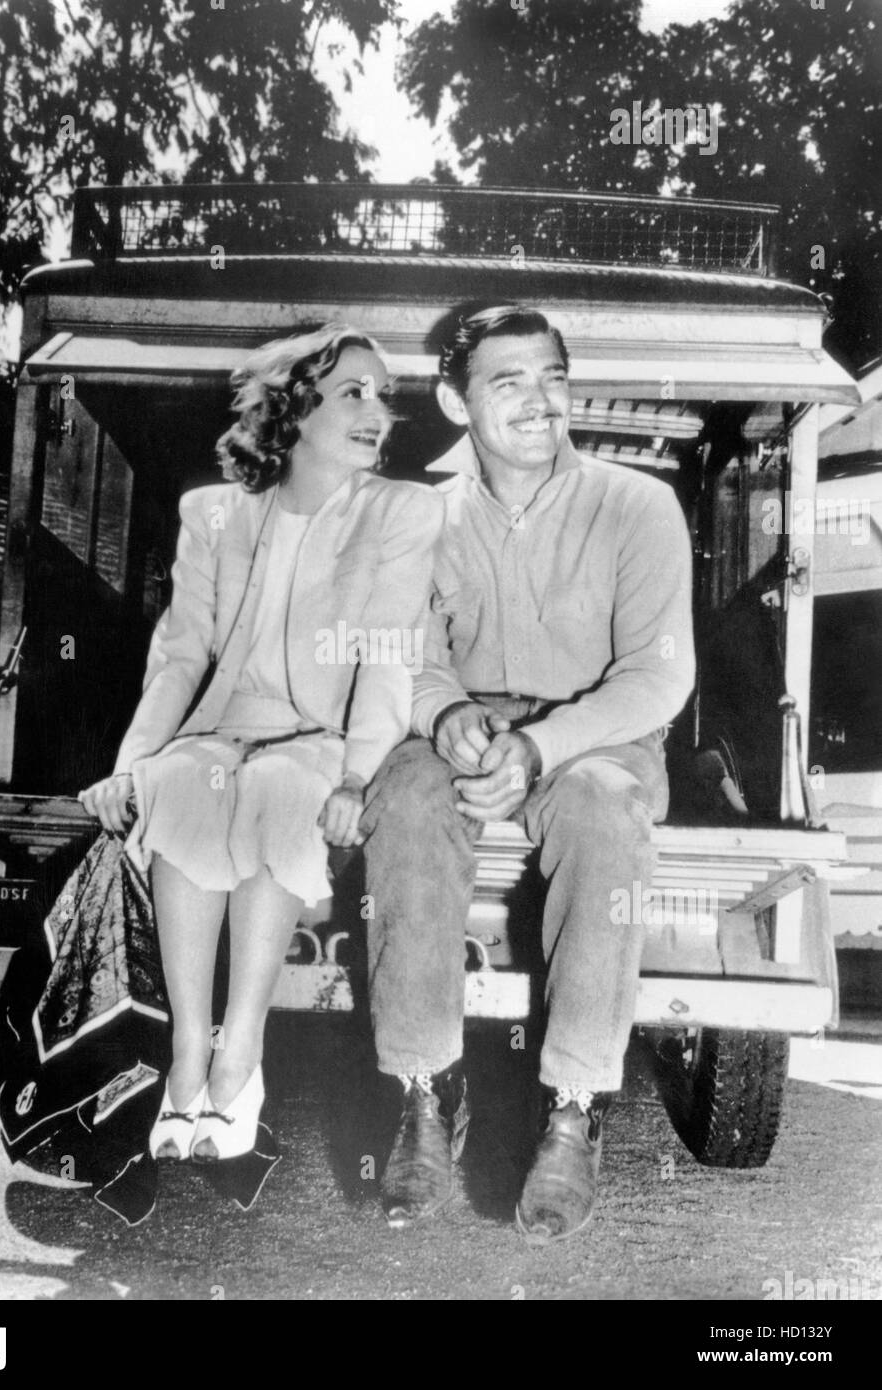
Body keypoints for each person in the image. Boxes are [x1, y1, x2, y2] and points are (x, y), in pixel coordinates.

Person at [360, 304, 696, 1242]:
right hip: (466, 728)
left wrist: (541, 747)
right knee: (409, 795)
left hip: (597, 739)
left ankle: (572, 1112)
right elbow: (403, 654)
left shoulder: (637, 506)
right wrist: (447, 715)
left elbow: (659, 674)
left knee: (600, 813)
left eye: (551, 376)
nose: (540, 400)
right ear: (453, 401)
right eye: (508, 381)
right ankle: (425, 1097)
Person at [79, 323, 441, 1168]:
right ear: (294, 403)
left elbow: (390, 651)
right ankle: (187, 1057)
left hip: (319, 737)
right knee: (182, 783)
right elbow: (180, 653)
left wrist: (356, 776)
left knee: (280, 791)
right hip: (220, 724)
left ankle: (239, 1054)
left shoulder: (401, 511)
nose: (376, 411)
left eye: (383, 395)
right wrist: (133, 765)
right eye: (353, 391)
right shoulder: (212, 513)